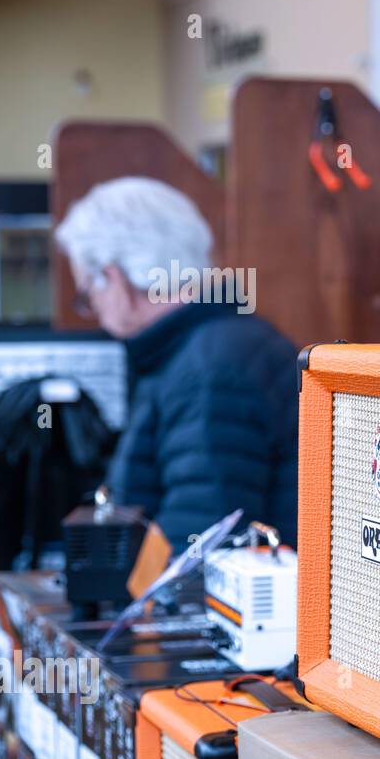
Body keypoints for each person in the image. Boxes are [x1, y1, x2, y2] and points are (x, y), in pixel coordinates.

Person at [55, 177, 297, 547]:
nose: (94, 314)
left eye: (87, 295)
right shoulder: (211, 345)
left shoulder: (208, 372)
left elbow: (199, 553)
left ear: (113, 277)